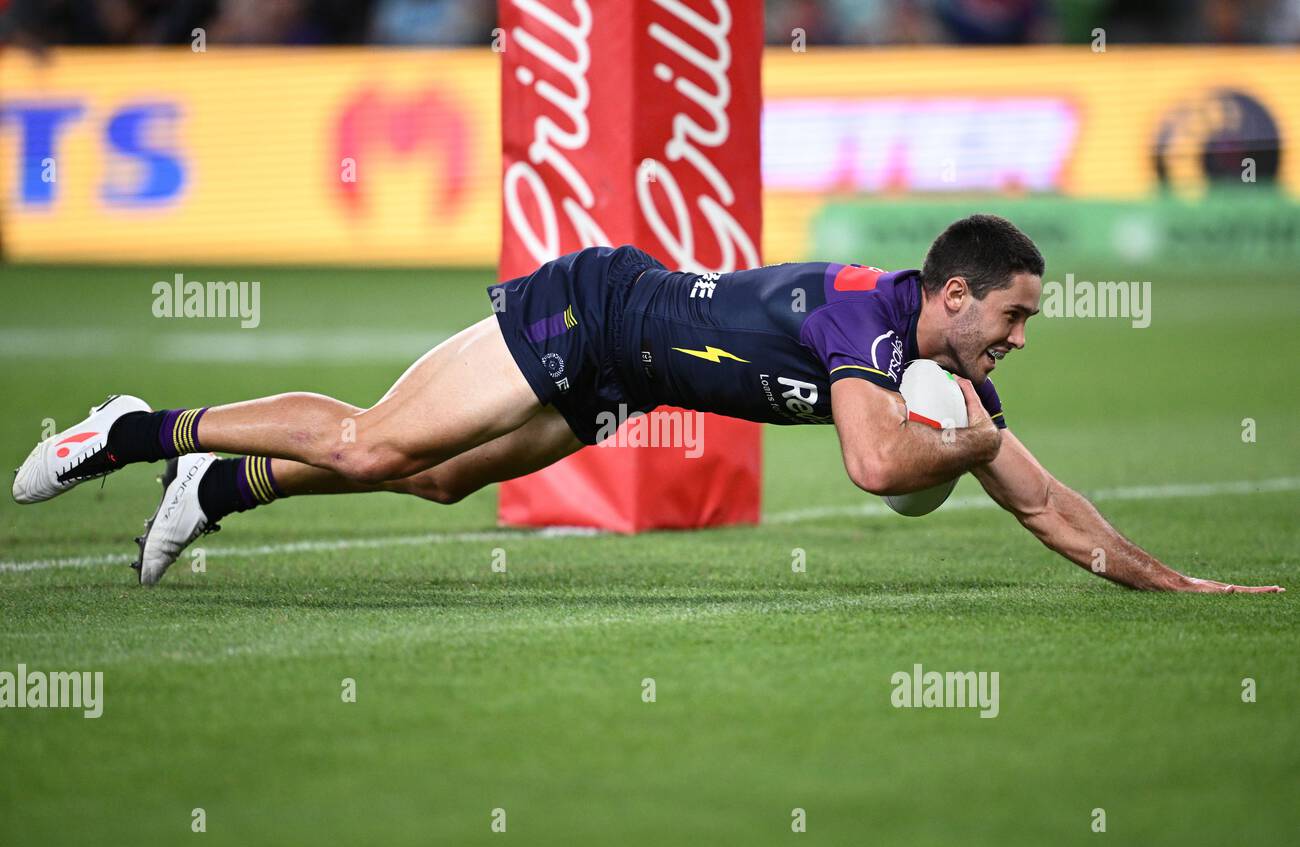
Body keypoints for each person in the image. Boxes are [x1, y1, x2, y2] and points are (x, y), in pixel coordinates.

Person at [12, 214, 1283, 593]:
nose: (1017, 338)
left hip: (621, 374)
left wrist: (1181, 587)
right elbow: (874, 471)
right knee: (373, 439)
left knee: (443, 479)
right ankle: (139, 430)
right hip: (594, 308)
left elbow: (1045, 505)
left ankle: (217, 484)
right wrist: (967, 441)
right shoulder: (865, 318)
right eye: (1009, 315)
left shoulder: (941, 371)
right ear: (951, 296)